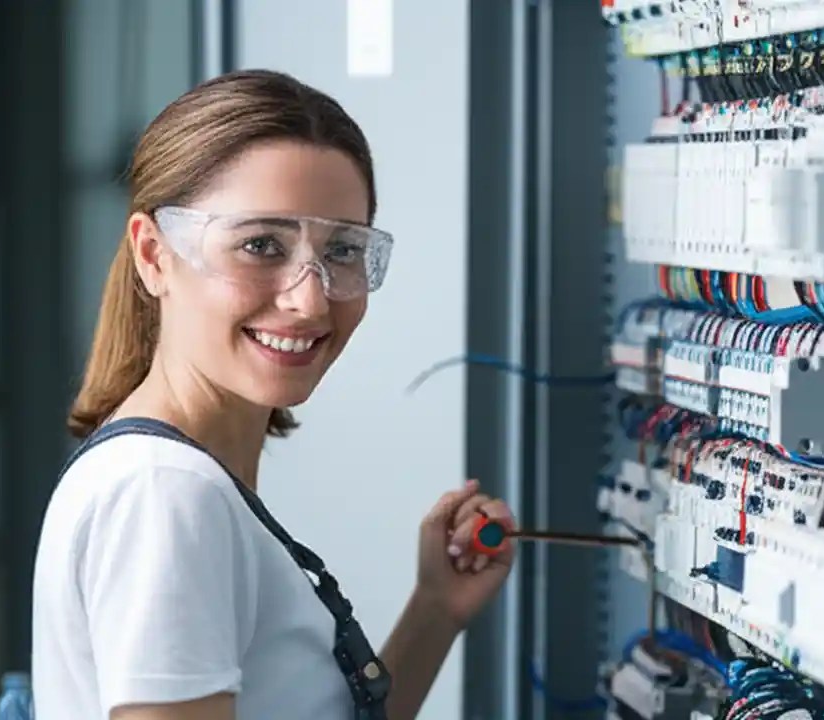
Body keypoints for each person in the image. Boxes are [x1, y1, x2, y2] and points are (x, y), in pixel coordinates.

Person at [30, 69, 515, 720]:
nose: (310, 299)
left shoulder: (183, 480)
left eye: (343, 249)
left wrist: (436, 608)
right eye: (261, 245)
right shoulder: (165, 495)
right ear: (153, 255)